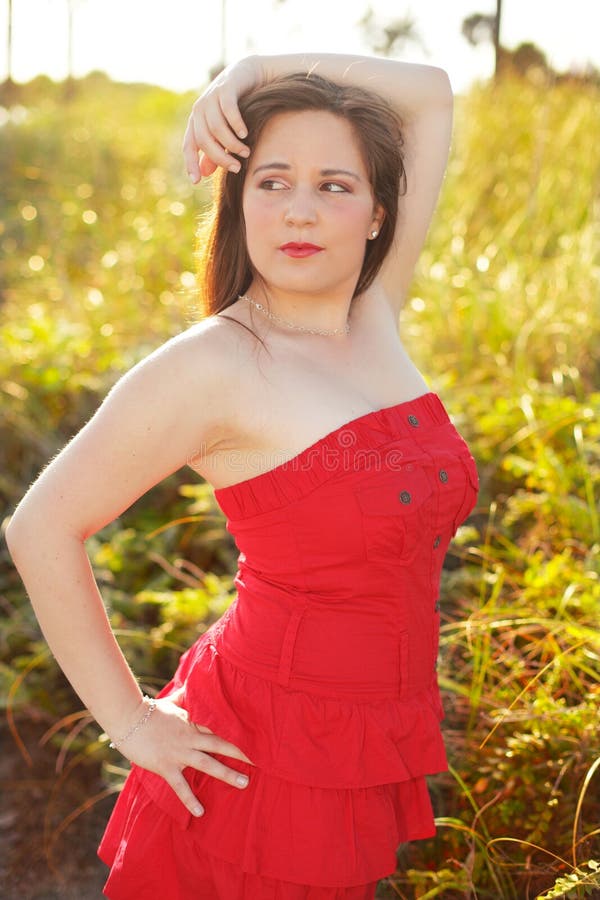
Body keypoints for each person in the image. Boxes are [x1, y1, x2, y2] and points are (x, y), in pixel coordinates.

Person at [5, 52, 479, 900]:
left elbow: (431, 93)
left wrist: (254, 73)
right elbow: (39, 526)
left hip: (365, 738)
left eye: (335, 185)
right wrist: (134, 724)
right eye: (271, 181)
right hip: (258, 757)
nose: (300, 210)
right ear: (237, 198)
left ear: (378, 214)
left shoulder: (371, 316)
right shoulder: (215, 364)